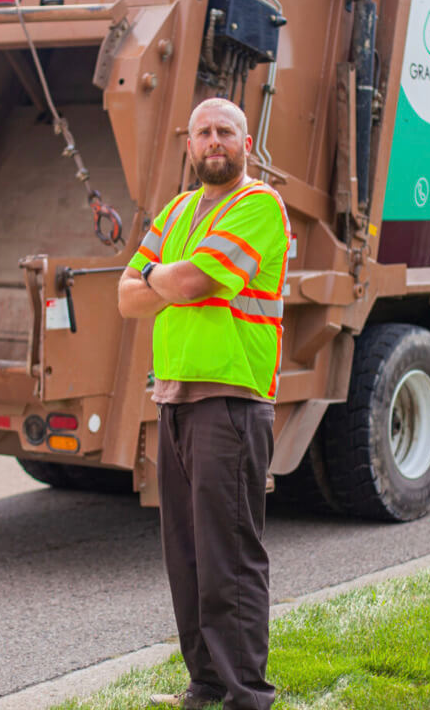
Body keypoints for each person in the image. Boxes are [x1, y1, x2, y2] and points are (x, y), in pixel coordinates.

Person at [118, 97, 290, 710]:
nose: (213, 140)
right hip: (175, 400)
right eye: (203, 132)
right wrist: (171, 275)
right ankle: (206, 686)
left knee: (230, 558)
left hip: (231, 402)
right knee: (186, 559)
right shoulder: (179, 208)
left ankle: (248, 696)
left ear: (246, 143)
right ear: (188, 144)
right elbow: (124, 296)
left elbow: (187, 283)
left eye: (225, 131)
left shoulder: (261, 206)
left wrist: (161, 275)